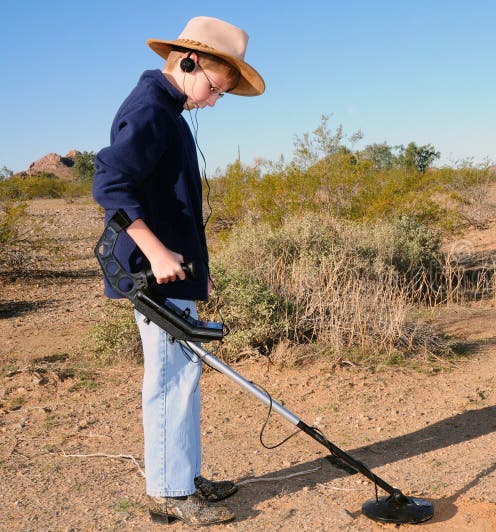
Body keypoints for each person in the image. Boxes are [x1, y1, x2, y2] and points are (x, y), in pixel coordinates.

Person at [92, 16, 265, 526]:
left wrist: (196, 269)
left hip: (174, 273)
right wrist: (160, 254)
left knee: (184, 376)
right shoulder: (149, 109)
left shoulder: (168, 113)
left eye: (222, 95)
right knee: (170, 380)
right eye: (214, 88)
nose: (212, 102)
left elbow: (176, 205)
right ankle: (169, 492)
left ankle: (182, 476)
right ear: (189, 62)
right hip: (153, 277)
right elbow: (110, 183)